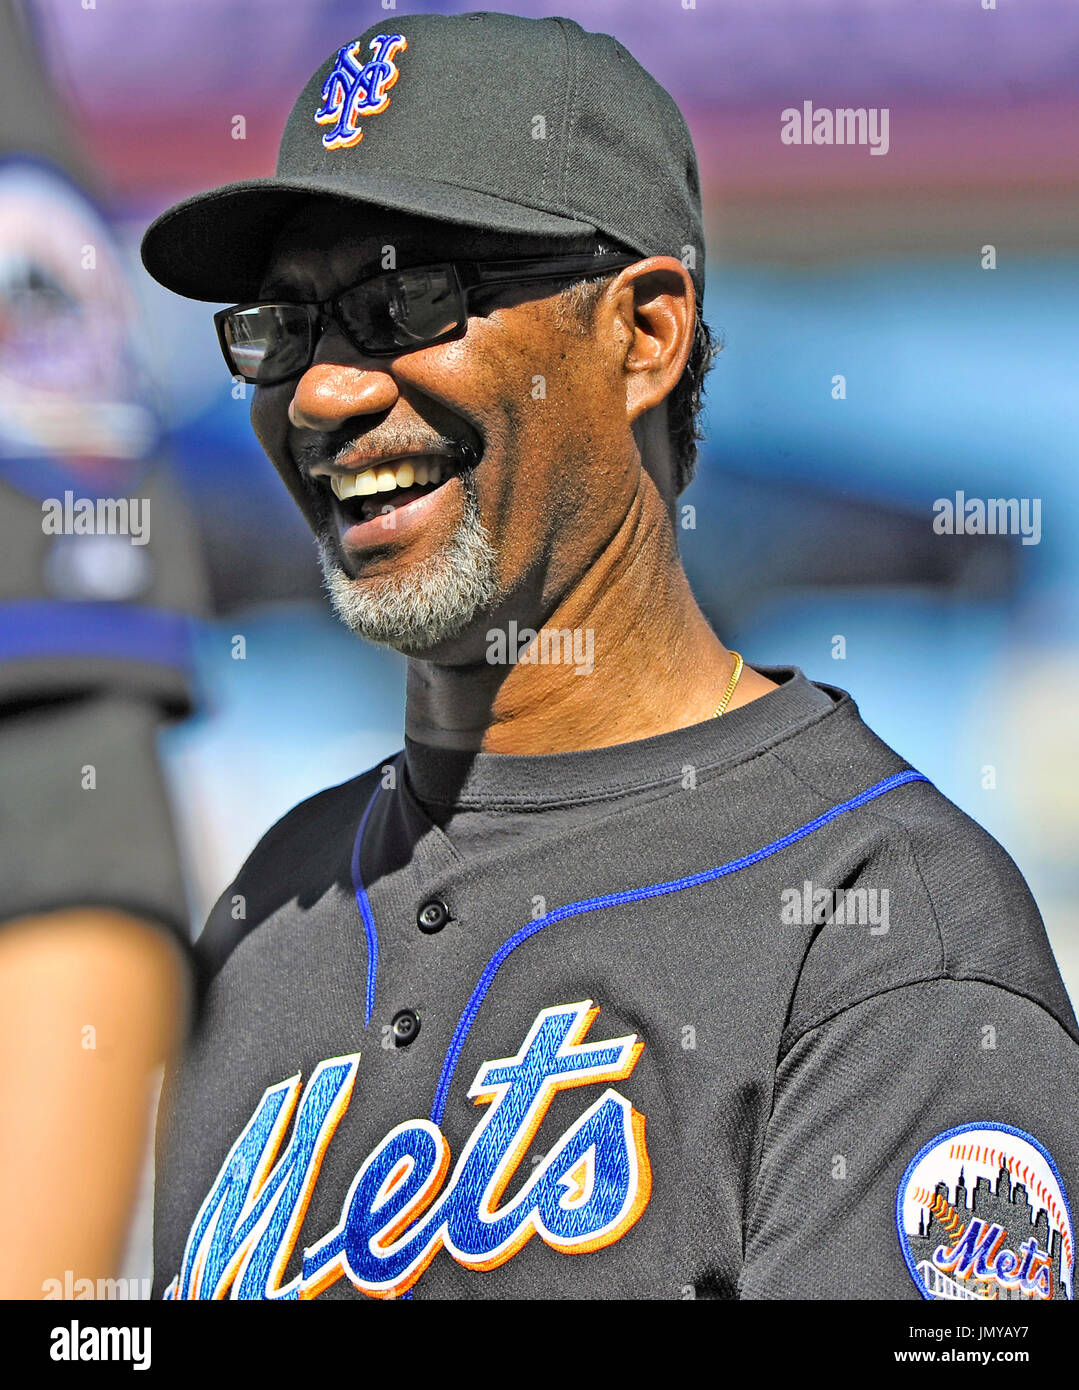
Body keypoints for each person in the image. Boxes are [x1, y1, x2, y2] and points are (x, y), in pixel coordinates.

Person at [139, 11, 1078, 1301]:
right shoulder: (271, 905)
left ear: (645, 336)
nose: (322, 394)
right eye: (281, 329)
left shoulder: (883, 923)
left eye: (407, 299)